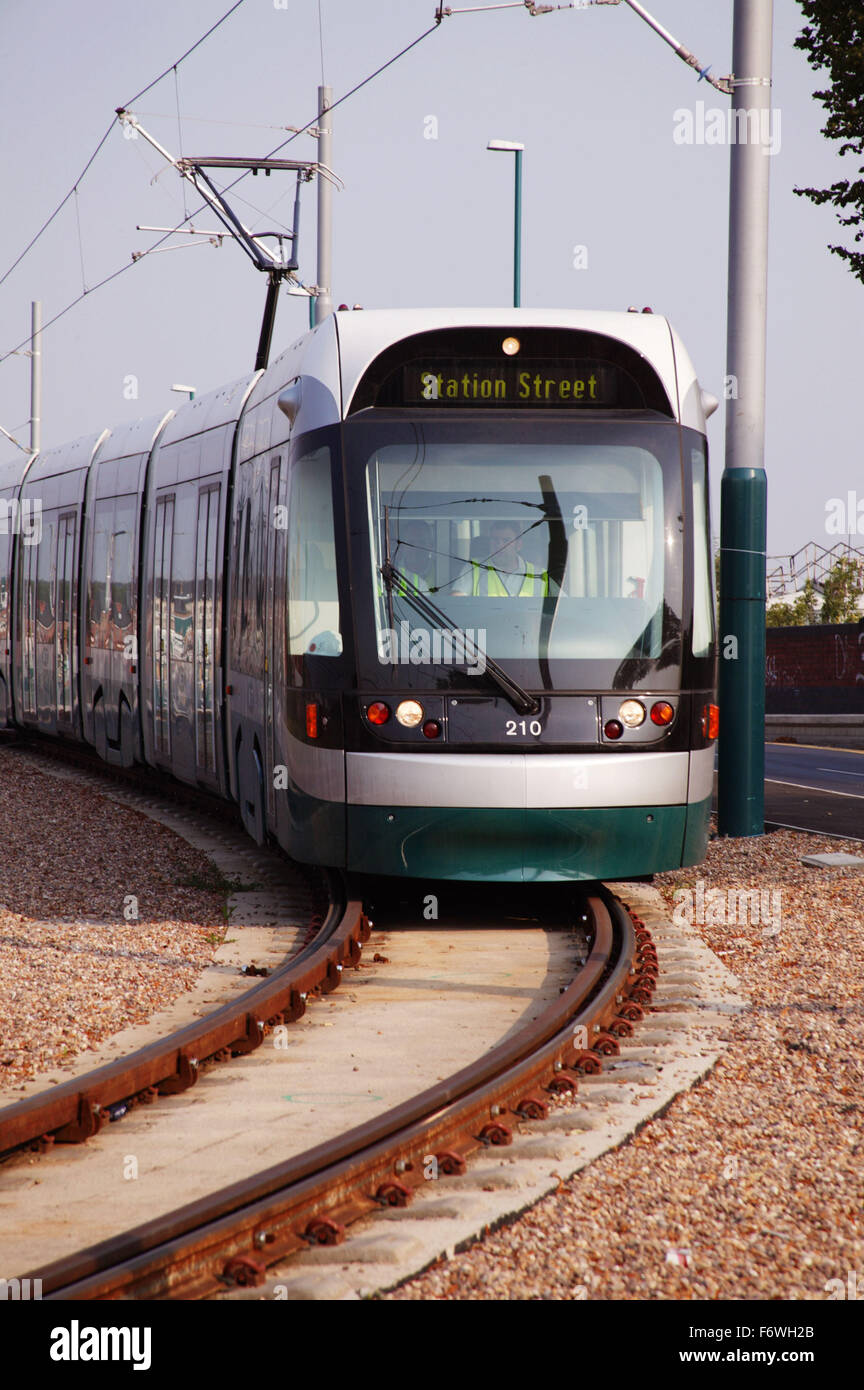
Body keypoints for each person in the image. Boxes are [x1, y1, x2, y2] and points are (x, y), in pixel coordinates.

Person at [455, 521, 550, 597]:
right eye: (495, 540)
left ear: (519, 545)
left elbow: (561, 606)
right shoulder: (473, 567)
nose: (499, 545)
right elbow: (457, 601)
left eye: (506, 540)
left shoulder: (540, 575)